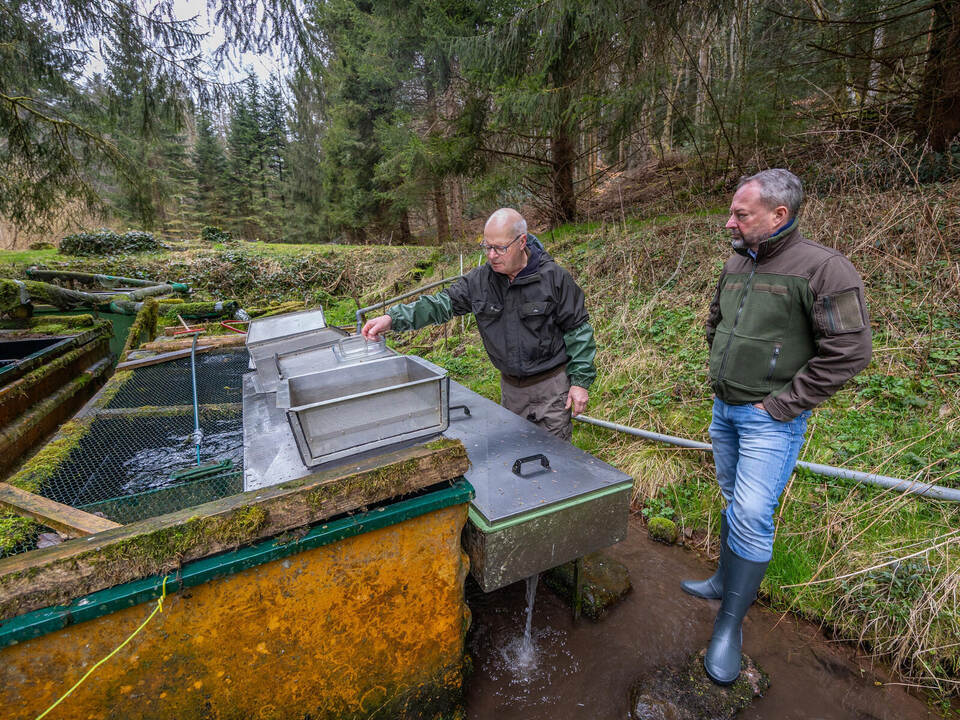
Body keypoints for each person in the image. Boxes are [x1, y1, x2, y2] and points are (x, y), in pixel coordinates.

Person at [686, 169, 872, 685]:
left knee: (751, 510)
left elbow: (851, 351)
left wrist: (785, 403)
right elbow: (716, 321)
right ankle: (724, 581)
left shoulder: (824, 269)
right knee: (733, 499)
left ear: (778, 215)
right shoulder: (737, 260)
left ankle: (729, 628)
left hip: (770, 418)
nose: (730, 222)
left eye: (740, 215)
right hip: (726, 408)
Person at [361, 208, 596, 441]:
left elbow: (578, 330)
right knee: (518, 456)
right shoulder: (480, 281)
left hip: (551, 389)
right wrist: (393, 318)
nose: (492, 255)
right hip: (511, 390)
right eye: (487, 247)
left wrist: (580, 383)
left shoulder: (554, 278)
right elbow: (440, 304)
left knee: (555, 459)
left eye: (500, 248)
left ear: (522, 241)